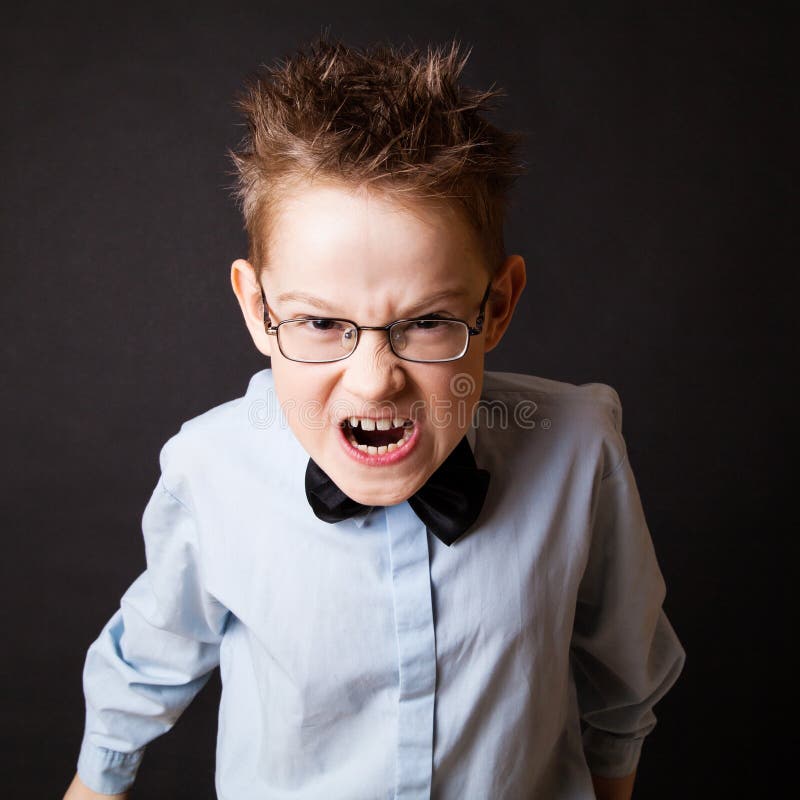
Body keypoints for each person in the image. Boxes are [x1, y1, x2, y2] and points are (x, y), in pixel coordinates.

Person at [64, 37, 685, 800]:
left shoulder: (580, 447)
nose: (374, 382)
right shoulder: (211, 468)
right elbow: (143, 667)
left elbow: (622, 673)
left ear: (497, 306)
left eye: (425, 322)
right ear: (258, 309)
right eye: (321, 324)